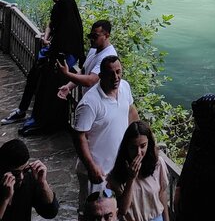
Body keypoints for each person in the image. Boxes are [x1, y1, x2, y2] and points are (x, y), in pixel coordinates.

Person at [2, 0, 82, 128]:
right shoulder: (59, 7)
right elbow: (51, 24)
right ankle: (22, 111)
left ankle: (40, 118)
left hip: (61, 56)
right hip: (52, 52)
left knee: (46, 86)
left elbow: (69, 35)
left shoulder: (67, 5)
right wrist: (46, 38)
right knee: (33, 79)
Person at [72, 56, 138, 212]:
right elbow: (79, 136)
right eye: (110, 73)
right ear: (101, 76)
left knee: (116, 210)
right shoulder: (90, 103)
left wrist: (142, 141)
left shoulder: (124, 87)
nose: (116, 77)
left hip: (117, 168)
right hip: (97, 172)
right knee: (92, 211)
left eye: (118, 72)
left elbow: (131, 112)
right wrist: (91, 167)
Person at [174, 95, 215, 221]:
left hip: (213, 207)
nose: (195, 121)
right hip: (191, 201)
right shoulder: (201, 131)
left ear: (207, 116)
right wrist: (179, 187)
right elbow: (189, 162)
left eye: (198, 117)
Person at [108, 121, 169, 221]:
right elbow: (123, 210)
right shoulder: (118, 172)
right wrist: (130, 179)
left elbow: (162, 194)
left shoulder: (157, 164)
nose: (138, 153)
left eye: (143, 146)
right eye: (133, 147)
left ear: (149, 144)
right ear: (127, 147)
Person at [0, 138, 58, 221]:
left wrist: (43, 184)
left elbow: (50, 213)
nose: (21, 177)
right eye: (16, 173)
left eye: (25, 170)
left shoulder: (28, 178)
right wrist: (5, 200)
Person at [56, 21, 115, 101]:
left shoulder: (108, 56)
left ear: (106, 36)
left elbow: (90, 81)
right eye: (91, 36)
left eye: (95, 36)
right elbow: (83, 71)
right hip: (87, 99)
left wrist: (67, 74)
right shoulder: (94, 49)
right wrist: (68, 86)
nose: (92, 39)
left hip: (99, 103)